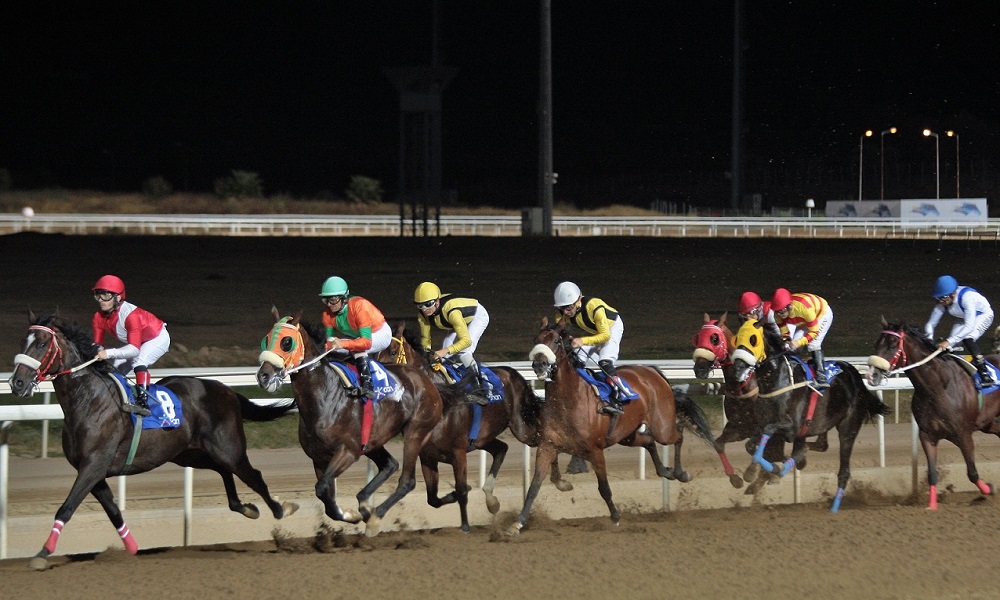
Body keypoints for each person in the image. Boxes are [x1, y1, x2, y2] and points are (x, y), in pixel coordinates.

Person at [91, 275, 170, 416]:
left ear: (118, 297)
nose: (101, 300)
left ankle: (143, 401)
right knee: (113, 371)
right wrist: (96, 352)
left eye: (106, 295)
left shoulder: (130, 315)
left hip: (157, 338)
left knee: (139, 363)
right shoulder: (98, 317)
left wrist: (108, 353)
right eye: (98, 295)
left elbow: (133, 350)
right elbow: (98, 344)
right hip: (139, 342)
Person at [553, 281, 629, 415]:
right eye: (562, 308)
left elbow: (605, 335)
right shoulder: (563, 314)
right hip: (597, 332)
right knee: (573, 359)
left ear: (578, 301)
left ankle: (618, 397)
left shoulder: (594, 306)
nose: (565, 312)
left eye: (568, 308)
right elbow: (557, 330)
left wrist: (582, 340)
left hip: (612, 329)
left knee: (604, 361)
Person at [413, 281, 491, 399]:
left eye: (428, 304)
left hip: (477, 317)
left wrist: (445, 351)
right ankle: (452, 382)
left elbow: (466, 341)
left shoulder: (451, 312)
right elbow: (426, 340)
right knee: (445, 352)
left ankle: (480, 389)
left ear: (437, 301)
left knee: (464, 351)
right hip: (457, 323)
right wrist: (426, 356)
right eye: (420, 306)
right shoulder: (422, 316)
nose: (425, 309)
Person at [319, 276, 392, 398]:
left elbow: (366, 343)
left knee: (357, 347)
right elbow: (330, 344)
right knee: (331, 350)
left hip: (380, 333)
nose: (329, 305)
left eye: (333, 300)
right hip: (359, 337)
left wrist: (343, 344)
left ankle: (367, 386)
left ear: (344, 298)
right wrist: (329, 347)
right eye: (326, 300)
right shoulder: (327, 315)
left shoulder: (359, 306)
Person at [924, 275, 995, 386]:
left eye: (943, 299)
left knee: (967, 338)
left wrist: (948, 341)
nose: (940, 302)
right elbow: (931, 324)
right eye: (938, 298)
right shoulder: (944, 299)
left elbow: (969, 326)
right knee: (949, 347)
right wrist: (928, 339)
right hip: (964, 318)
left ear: (953, 294)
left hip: (982, 315)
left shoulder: (967, 298)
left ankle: (985, 374)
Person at [770, 288, 833, 387]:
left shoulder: (803, 309)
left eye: (782, 311)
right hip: (804, 319)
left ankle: (821, 377)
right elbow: (785, 333)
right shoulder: (777, 315)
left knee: (813, 345)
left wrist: (799, 342)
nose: (780, 315)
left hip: (821, 314)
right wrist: (788, 341)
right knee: (792, 347)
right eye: (777, 311)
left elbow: (814, 332)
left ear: (789, 306)